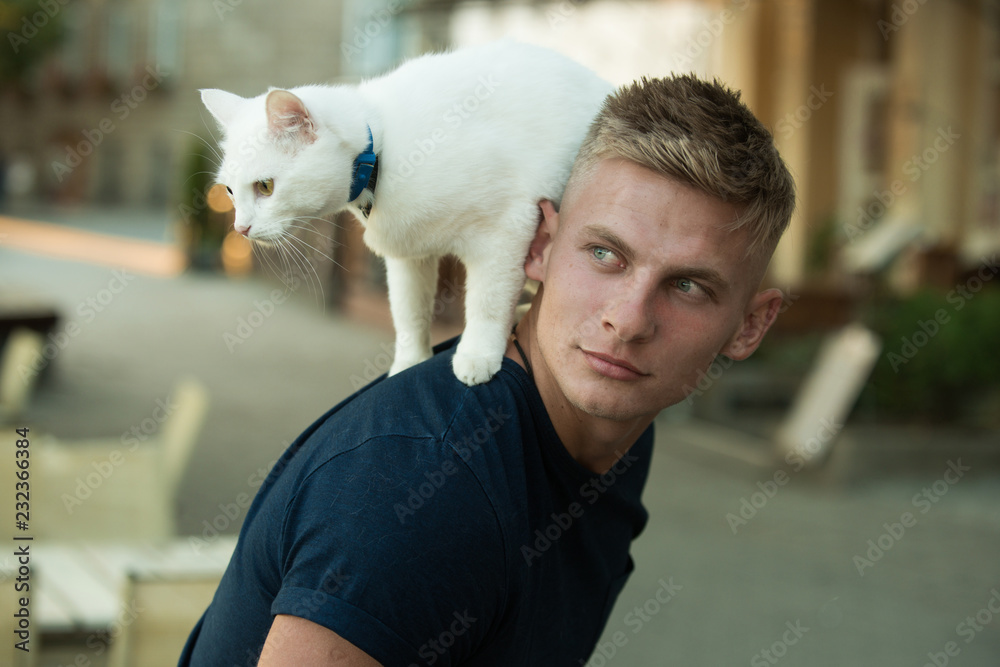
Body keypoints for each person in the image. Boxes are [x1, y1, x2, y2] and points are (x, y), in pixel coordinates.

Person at [179, 73, 795, 666]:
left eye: (687, 285)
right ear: (537, 244)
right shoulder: (417, 490)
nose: (628, 321)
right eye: (604, 254)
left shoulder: (620, 432)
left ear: (750, 326)